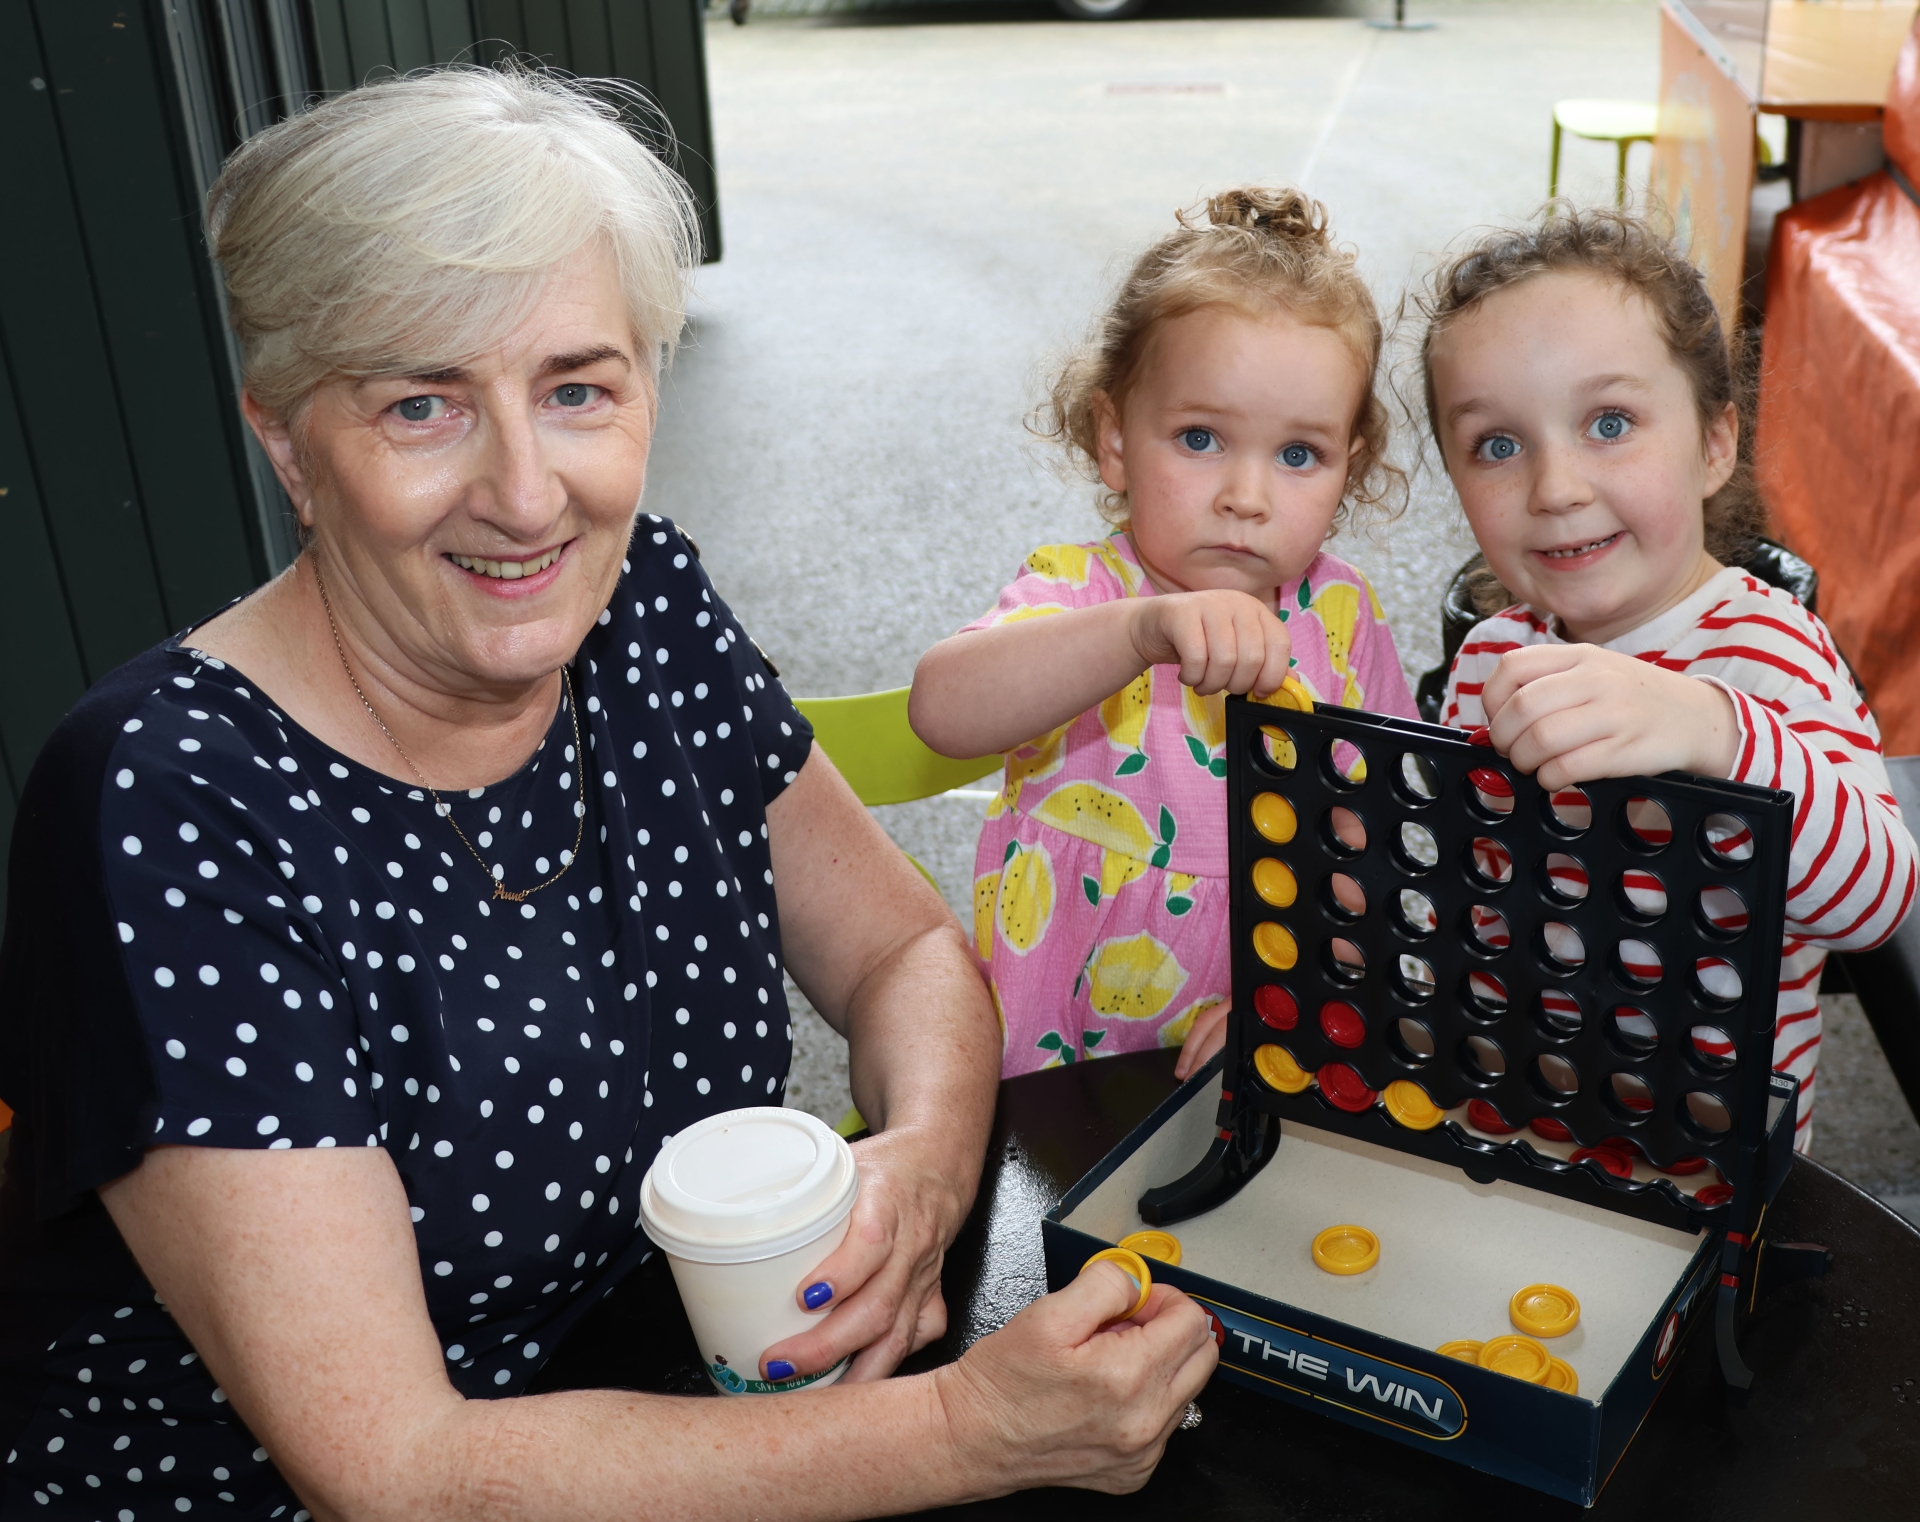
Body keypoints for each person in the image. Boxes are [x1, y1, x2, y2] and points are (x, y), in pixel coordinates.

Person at [0, 67, 1215, 1519]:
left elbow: (899, 953)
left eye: (578, 389)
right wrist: (968, 1429)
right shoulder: (166, 801)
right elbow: (397, 1468)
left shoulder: (640, 604)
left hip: (660, 1385)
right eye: (421, 405)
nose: (526, 494)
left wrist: (923, 1172)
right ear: (288, 443)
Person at [1421, 206, 1917, 1146]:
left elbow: (1875, 899)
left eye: (1610, 422)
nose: (1556, 486)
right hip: (1511, 1109)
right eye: (1498, 444)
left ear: (1715, 443)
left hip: (1703, 1153)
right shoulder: (1492, 653)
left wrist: (1717, 731)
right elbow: (1464, 887)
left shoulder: (1768, 653)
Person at [911, 188, 1416, 1079]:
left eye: (1299, 455)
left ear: (1350, 469)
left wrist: (1301, 995)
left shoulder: (1343, 621)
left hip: (1264, 1033)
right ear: (1114, 439)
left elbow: (1381, 848)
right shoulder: (1084, 592)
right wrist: (1139, 632)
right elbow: (942, 711)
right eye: (1199, 438)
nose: (1247, 497)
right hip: (1059, 1053)